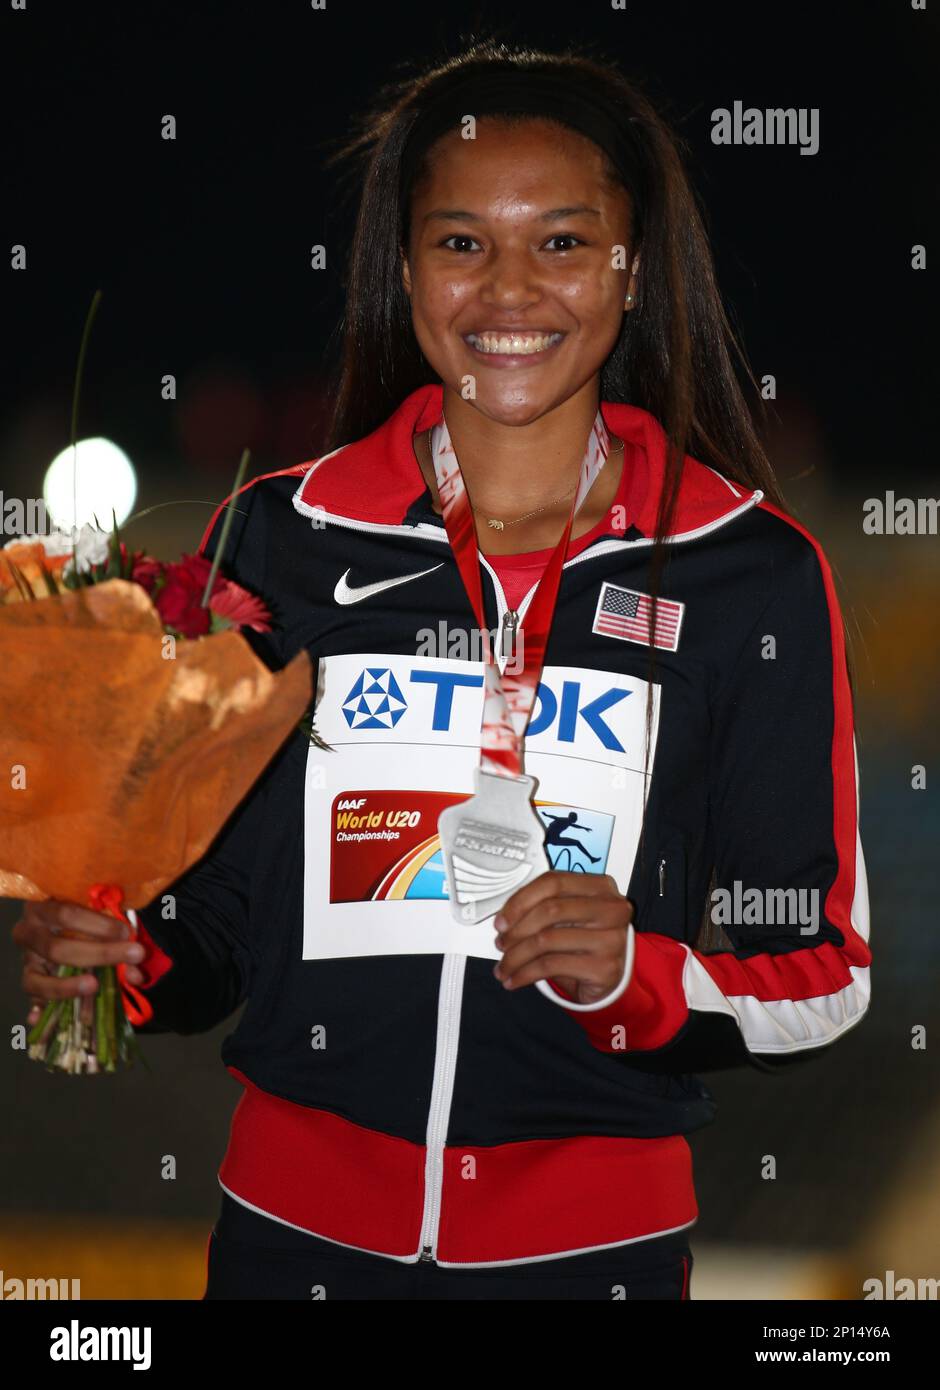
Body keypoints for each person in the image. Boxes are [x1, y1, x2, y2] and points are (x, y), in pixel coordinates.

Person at [13, 40, 872, 1301]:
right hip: (287, 1244)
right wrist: (124, 947)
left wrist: (637, 975)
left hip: (593, 1259)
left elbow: (819, 971)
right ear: (403, 267)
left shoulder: (750, 574)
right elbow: (220, 921)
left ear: (632, 269)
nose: (508, 287)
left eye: (564, 242)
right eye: (461, 242)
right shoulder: (281, 538)